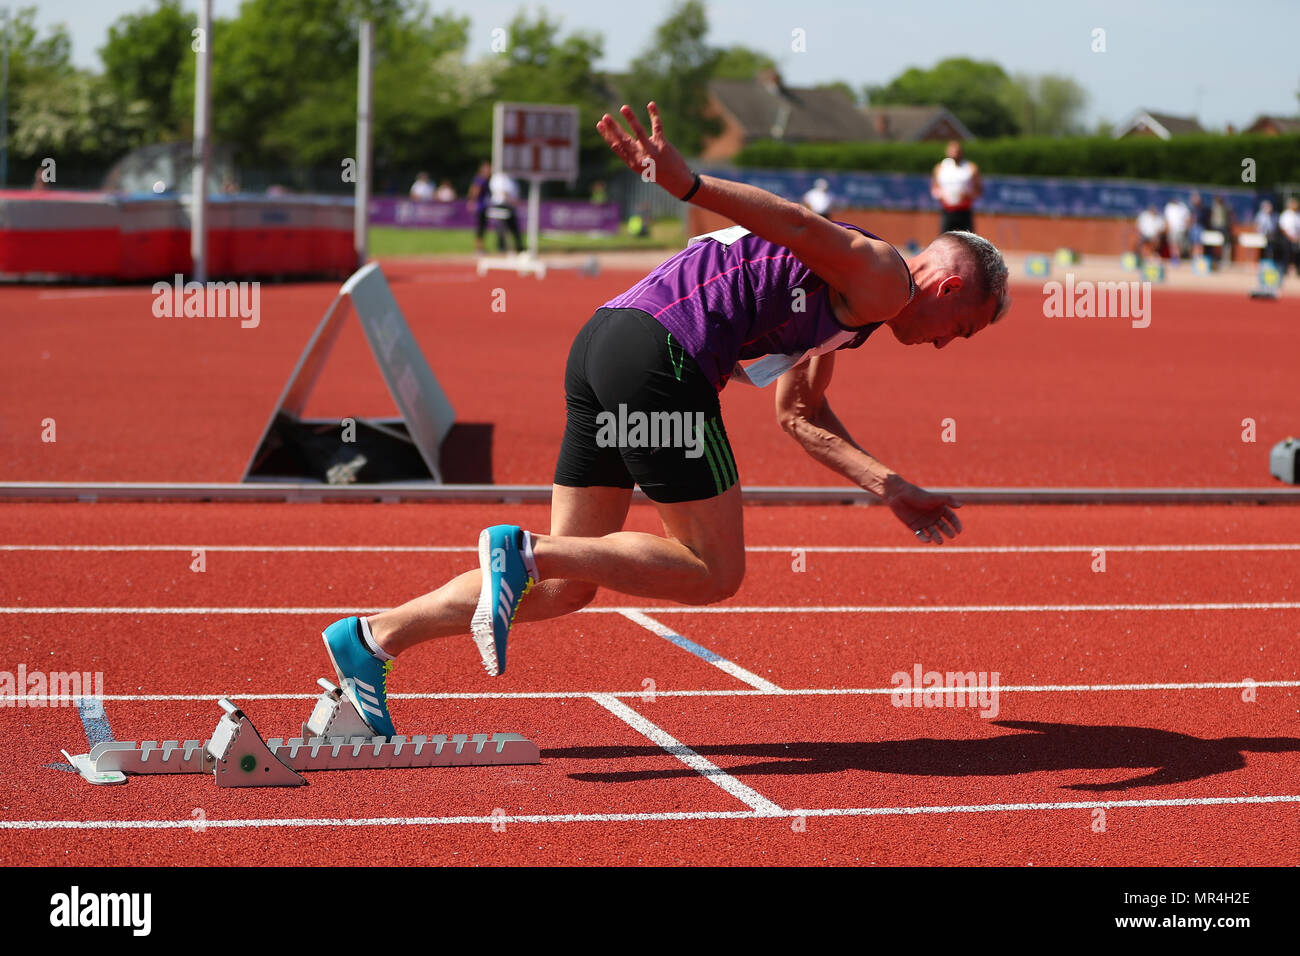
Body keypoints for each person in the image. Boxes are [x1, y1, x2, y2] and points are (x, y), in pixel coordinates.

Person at [318, 103, 1010, 733]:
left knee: (563, 587)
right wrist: (688, 187)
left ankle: (373, 638)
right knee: (714, 572)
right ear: (948, 288)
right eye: (964, 327)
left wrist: (888, 485)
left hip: (603, 346)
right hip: (662, 359)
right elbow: (796, 221)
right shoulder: (882, 278)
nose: (949, 343)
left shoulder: (853, 314)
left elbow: (800, 413)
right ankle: (523, 547)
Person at [930, 140, 982, 235]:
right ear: (947, 152)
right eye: (952, 150)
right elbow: (934, 188)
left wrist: (969, 195)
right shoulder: (940, 168)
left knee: (970, 244)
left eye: (957, 151)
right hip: (947, 211)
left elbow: (979, 189)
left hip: (964, 211)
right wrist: (940, 195)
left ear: (961, 152)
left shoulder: (970, 168)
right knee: (944, 242)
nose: (954, 153)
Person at [486, 168, 525, 253]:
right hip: (500, 205)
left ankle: (518, 246)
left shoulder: (511, 178)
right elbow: (503, 194)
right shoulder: (498, 178)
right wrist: (512, 201)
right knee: (501, 226)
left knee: (513, 227)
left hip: (510, 205)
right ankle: (501, 247)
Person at [466, 161, 492, 254]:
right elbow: (475, 190)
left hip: (483, 207)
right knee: (480, 228)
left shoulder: (484, 179)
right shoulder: (480, 179)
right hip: (480, 207)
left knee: (482, 228)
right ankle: (478, 248)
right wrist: (472, 201)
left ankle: (481, 248)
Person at [1163, 196, 1191, 262]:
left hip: (1181, 230)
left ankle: (1177, 258)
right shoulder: (1169, 207)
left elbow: (1187, 219)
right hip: (1172, 230)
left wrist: (1187, 228)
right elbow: (1167, 220)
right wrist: (1168, 229)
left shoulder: (1182, 207)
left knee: (1179, 246)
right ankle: (1175, 259)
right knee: (1173, 245)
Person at [1278, 197, 1300, 275]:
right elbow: (1283, 228)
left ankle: (1297, 270)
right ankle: (1284, 270)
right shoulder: (1286, 214)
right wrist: (1290, 237)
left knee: (1297, 254)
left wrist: (1297, 237)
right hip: (1287, 238)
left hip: (1297, 238)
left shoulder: (1298, 214)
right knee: (1286, 253)